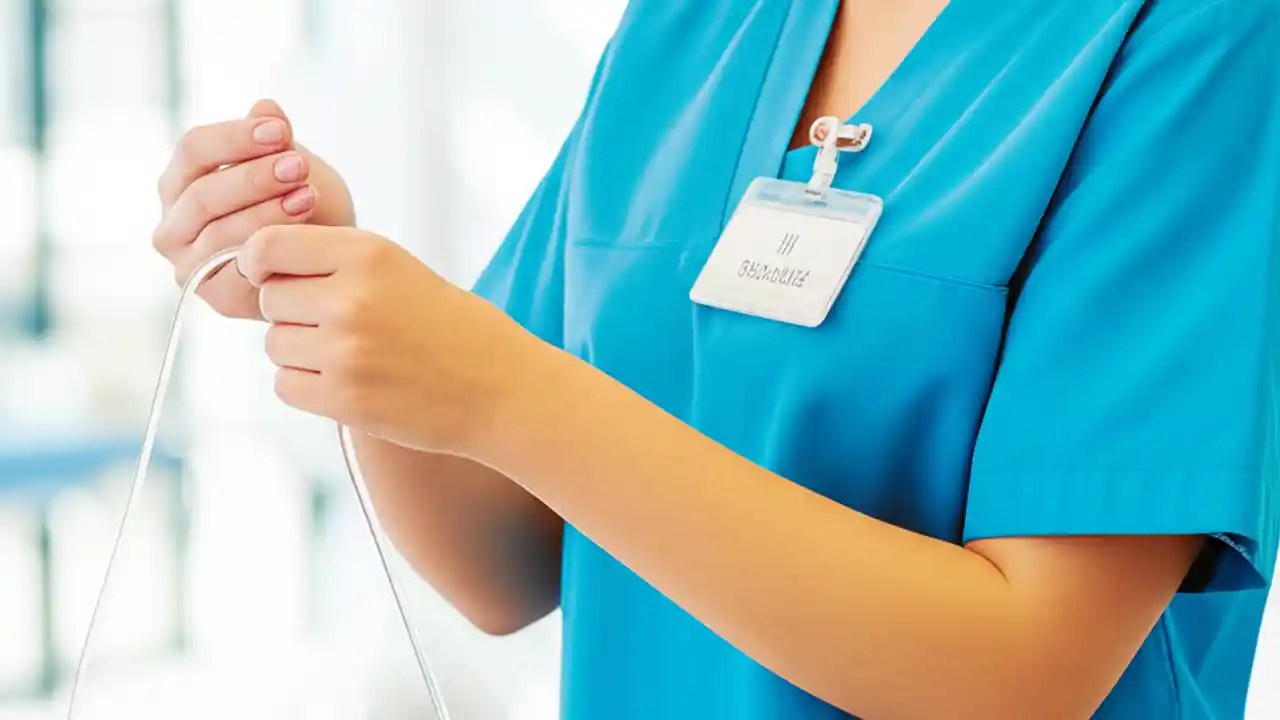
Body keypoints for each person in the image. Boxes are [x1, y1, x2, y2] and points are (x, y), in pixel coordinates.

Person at [149, 1, 1280, 718]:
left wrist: (501, 389)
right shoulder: (686, 29)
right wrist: (331, 290)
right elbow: (500, 567)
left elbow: (1018, 679)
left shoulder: (1199, 39)